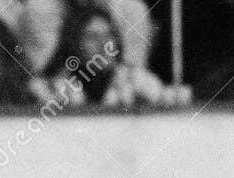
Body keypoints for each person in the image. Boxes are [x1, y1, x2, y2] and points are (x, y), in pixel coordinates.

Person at [38, 2, 180, 106]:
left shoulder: (139, 83)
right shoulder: (55, 89)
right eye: (93, 37)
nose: (104, 44)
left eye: (109, 36)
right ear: (75, 45)